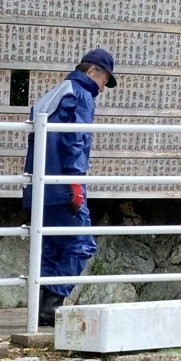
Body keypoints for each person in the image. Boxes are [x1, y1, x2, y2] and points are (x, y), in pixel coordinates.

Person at [23, 47, 117, 326]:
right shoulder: (81, 93)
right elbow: (74, 139)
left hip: (40, 186)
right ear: (92, 72)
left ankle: (41, 311)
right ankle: (52, 307)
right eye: (104, 80)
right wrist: (76, 183)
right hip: (64, 185)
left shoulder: (54, 93)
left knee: (52, 247)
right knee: (80, 245)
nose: (103, 88)